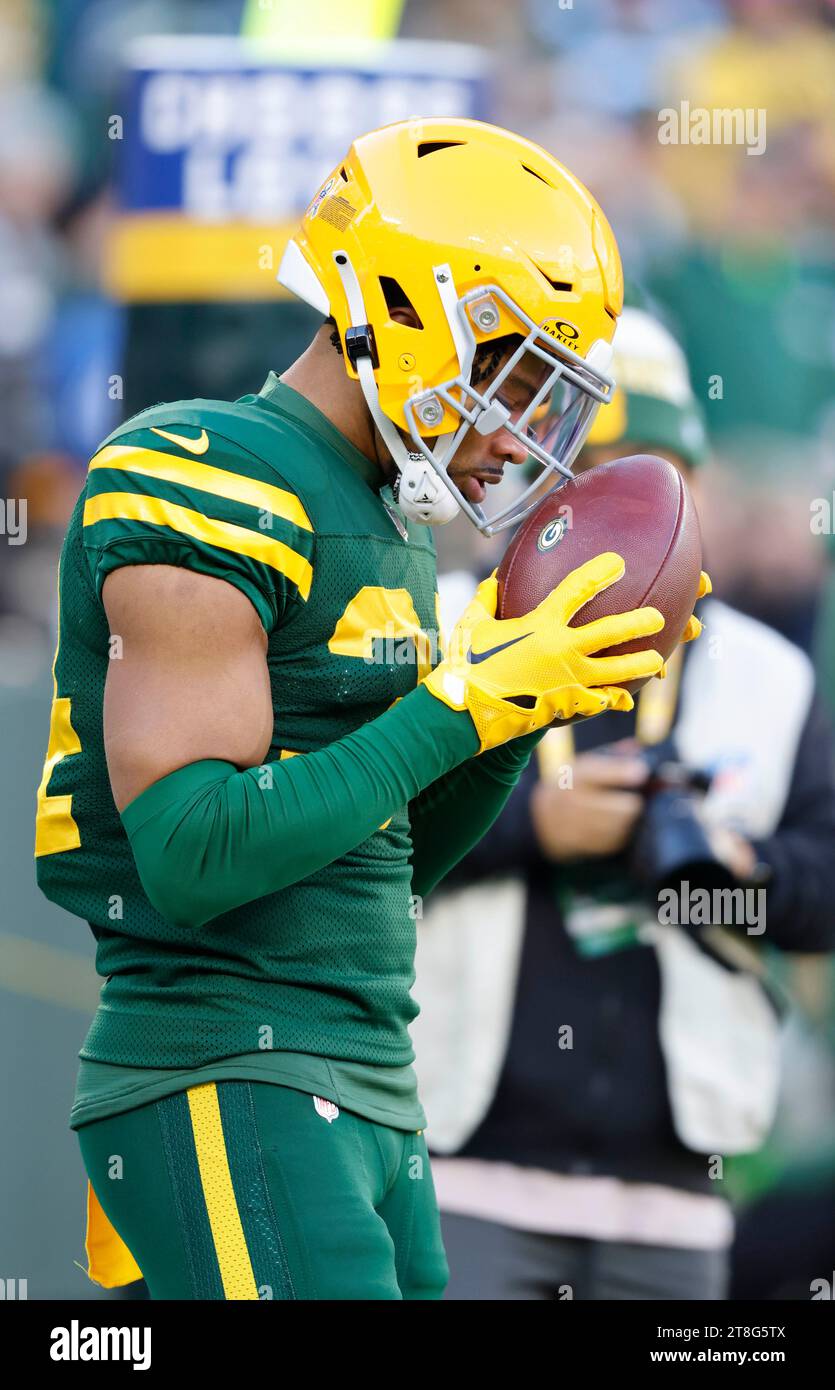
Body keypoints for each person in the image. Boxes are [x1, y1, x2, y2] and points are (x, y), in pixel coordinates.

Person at [33, 120, 703, 1301]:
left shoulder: (389, 519)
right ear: (410, 310)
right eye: (510, 375)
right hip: (227, 1064)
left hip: (366, 1085)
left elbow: (385, 872)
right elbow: (193, 853)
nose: (515, 434)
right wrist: (459, 704)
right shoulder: (204, 466)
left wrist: (519, 708)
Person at [414, 305, 835, 1301]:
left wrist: (733, 870)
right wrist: (531, 825)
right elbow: (355, 837)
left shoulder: (765, 673)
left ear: (696, 478)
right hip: (463, 1165)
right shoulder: (444, 627)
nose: (632, 494)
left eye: (656, 462)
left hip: (678, 1189)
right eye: (600, 459)